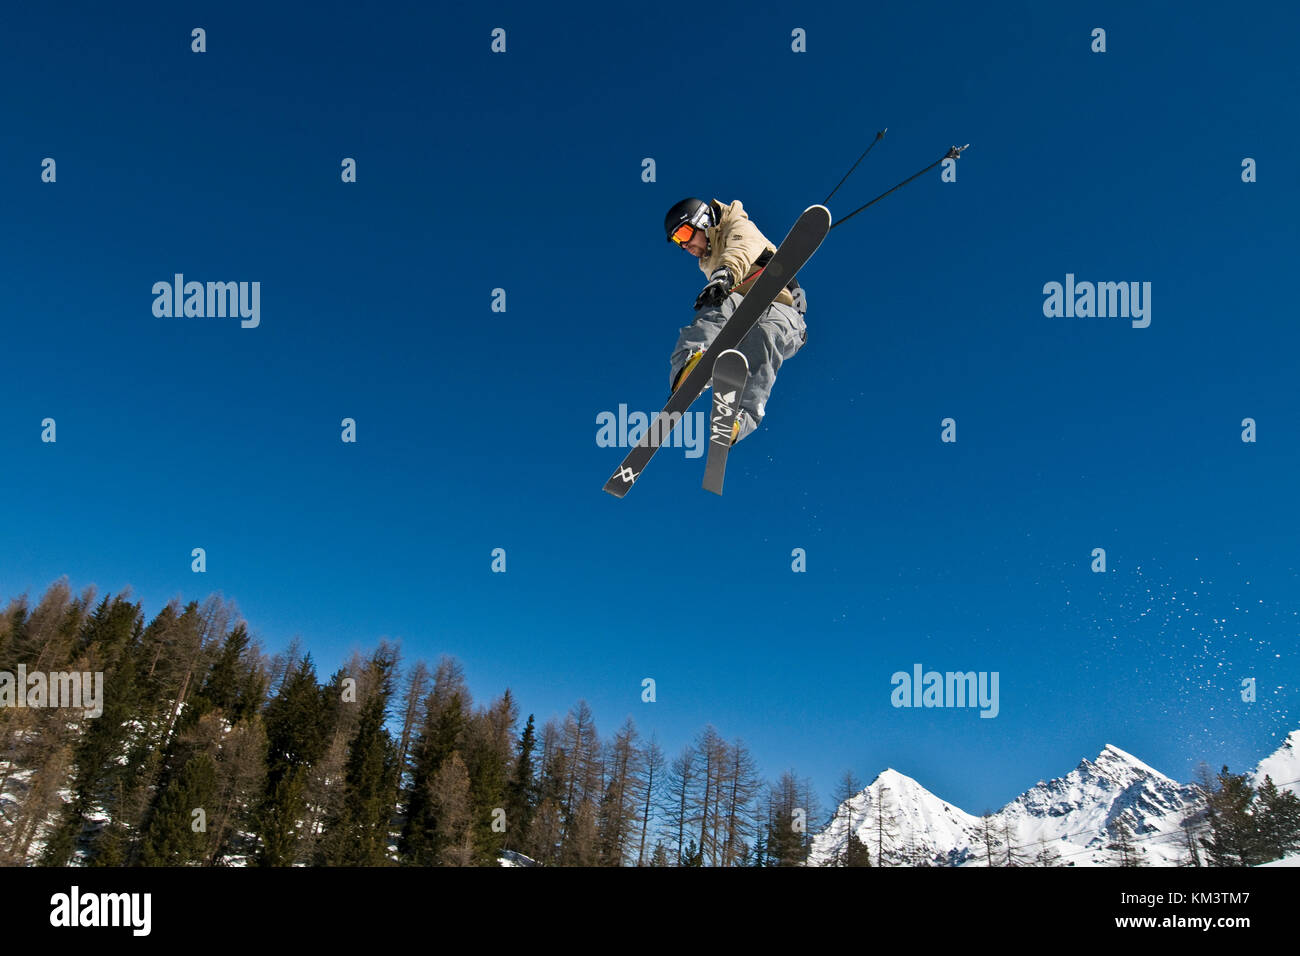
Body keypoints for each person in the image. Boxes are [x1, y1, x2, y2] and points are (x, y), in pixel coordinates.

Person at [664, 197, 807, 445]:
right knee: (718, 305)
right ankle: (692, 364)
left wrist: (724, 276)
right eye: (678, 241)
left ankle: (741, 416)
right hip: (746, 309)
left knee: (766, 332)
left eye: (685, 233)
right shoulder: (707, 261)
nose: (684, 245)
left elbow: (741, 250)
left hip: (785, 315)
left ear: (704, 221)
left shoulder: (736, 224)